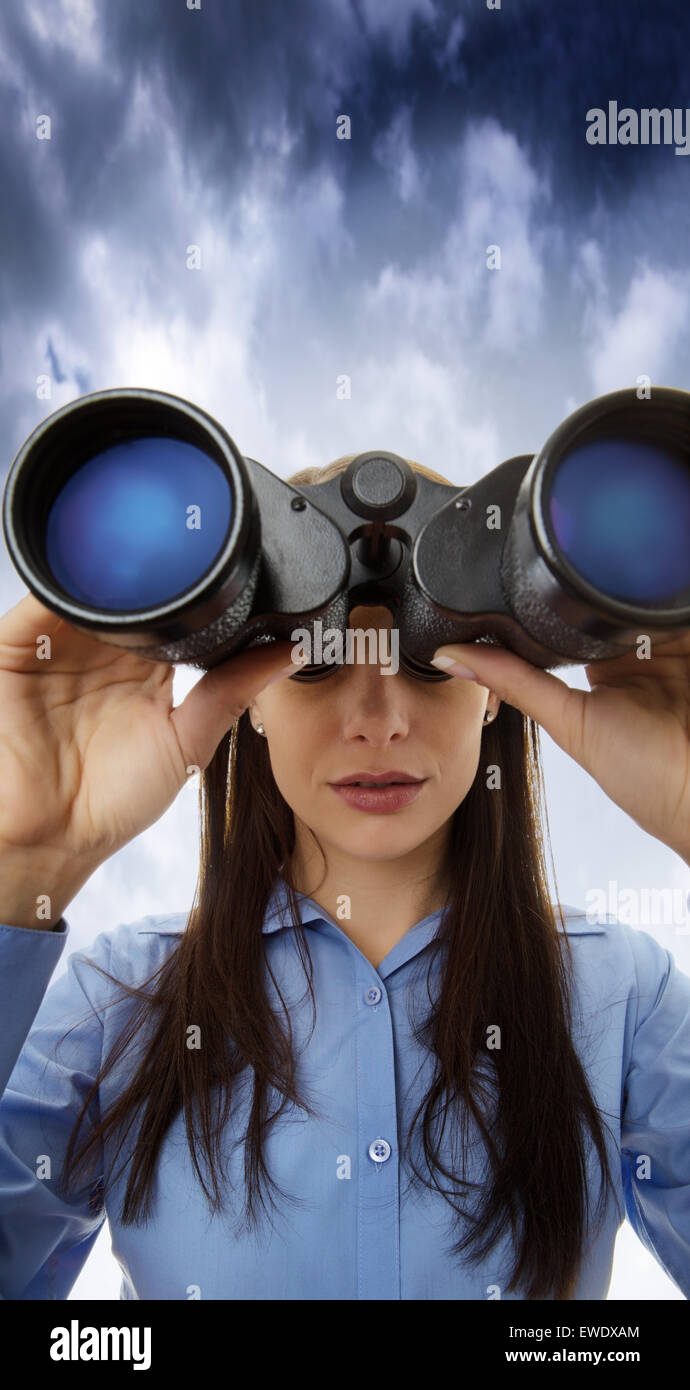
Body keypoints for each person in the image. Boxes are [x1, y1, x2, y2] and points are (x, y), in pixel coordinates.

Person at [0, 453, 688, 1302]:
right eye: (319, 656)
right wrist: (22, 865)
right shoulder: (122, 1001)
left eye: (431, 658)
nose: (380, 721)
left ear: (498, 689)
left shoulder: (624, 995)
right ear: (244, 691)